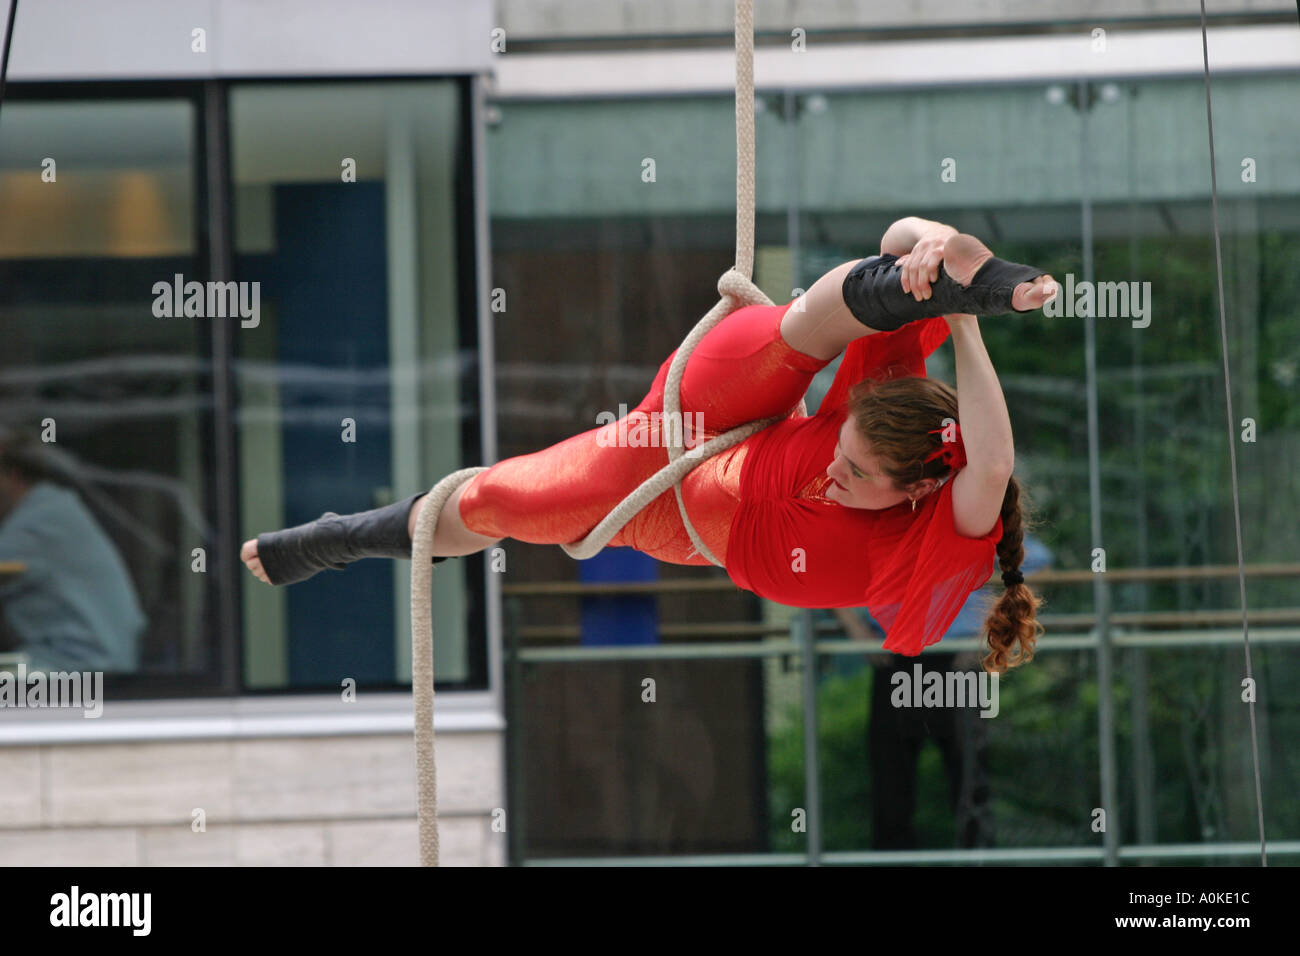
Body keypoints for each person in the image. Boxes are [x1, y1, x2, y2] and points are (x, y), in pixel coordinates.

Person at [242, 220, 1054, 671]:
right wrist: (936, 261)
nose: (835, 474)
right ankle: (963, 271)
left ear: (912, 492)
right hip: (713, 412)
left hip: (674, 509)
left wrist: (966, 332)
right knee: (809, 324)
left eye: (854, 475)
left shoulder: (941, 522)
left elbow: (992, 461)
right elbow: (896, 230)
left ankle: (342, 536)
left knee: (494, 503)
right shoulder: (885, 405)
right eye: (841, 450)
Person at [835, 532, 1053, 848]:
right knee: (890, 780)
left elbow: (1039, 568)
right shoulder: (885, 507)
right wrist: (856, 631)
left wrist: (989, 636)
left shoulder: (975, 511)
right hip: (896, 657)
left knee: (969, 777)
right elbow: (824, 571)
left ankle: (979, 857)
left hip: (960, 659)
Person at [0, 428, 145, 672]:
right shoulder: (48, 510)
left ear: (13, 476)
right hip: (71, 660)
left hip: (83, 665)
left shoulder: (40, 520)